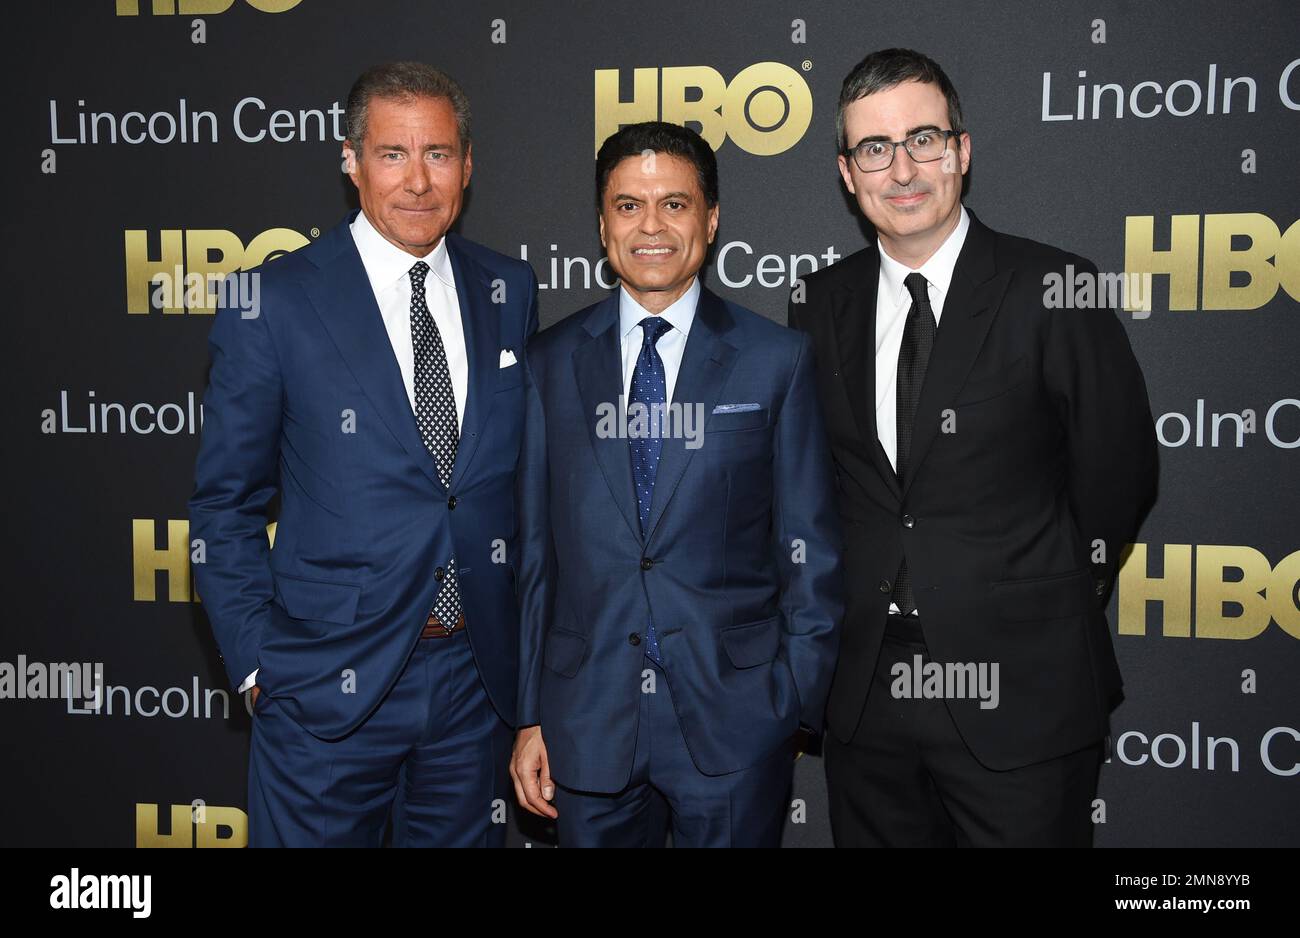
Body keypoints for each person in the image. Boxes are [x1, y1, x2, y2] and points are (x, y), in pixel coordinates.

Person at [789, 48, 1158, 847]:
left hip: (1022, 693)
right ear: (848, 174)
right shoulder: (817, 305)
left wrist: (1032, 601)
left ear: (961, 149)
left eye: (924, 139)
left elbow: (1118, 475)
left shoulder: (1056, 288)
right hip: (868, 698)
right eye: (874, 149)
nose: (903, 169)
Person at [190, 62, 538, 847]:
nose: (418, 181)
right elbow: (223, 505)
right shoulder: (273, 301)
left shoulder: (507, 288)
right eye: (392, 154)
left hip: (471, 684)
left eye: (439, 155)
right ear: (350, 161)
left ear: (469, 165)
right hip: (325, 690)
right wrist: (258, 670)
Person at [510, 121, 842, 847]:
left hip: (735, 721)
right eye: (628, 206)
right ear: (601, 225)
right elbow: (536, 559)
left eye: (675, 204)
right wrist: (532, 713)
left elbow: (810, 551)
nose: (651, 226)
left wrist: (790, 704)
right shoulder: (550, 363)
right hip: (587, 717)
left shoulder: (775, 360)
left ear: (712, 218)